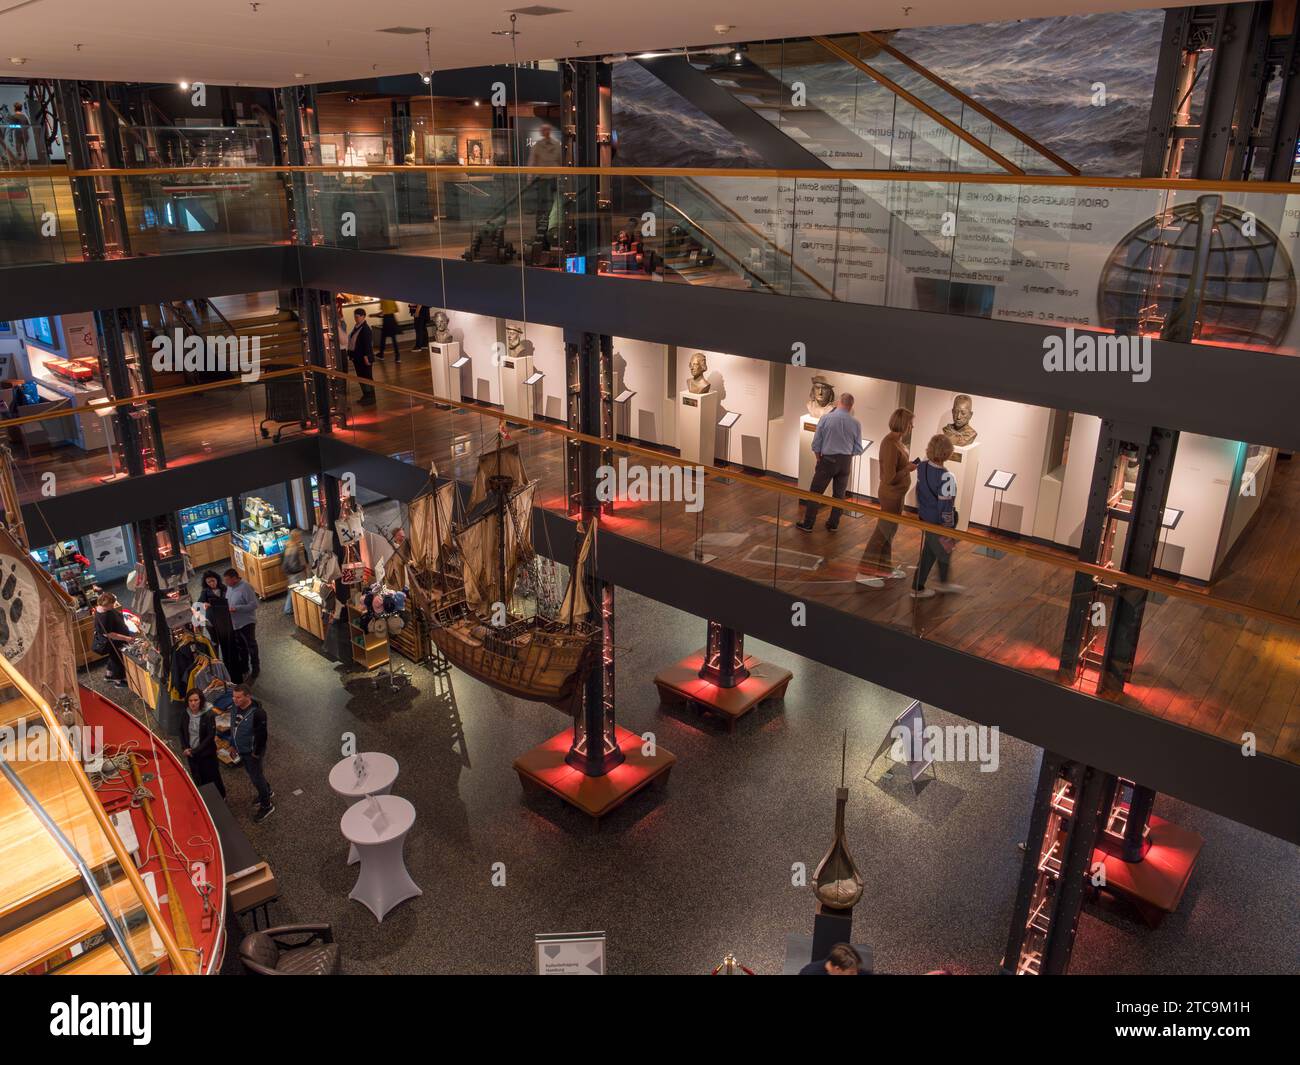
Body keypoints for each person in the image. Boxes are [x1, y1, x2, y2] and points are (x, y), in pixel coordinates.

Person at [858, 407, 915, 587]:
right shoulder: (890, 443)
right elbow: (889, 477)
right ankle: (864, 571)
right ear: (904, 424)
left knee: (889, 532)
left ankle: (884, 568)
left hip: (897, 495)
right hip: (890, 495)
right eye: (911, 424)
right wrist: (908, 469)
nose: (912, 427)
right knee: (881, 533)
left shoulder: (896, 441)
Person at [795, 393, 865, 532]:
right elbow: (858, 449)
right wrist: (845, 455)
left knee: (815, 492)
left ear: (838, 402)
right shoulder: (856, 423)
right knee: (839, 495)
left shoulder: (826, 418)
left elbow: (816, 444)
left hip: (827, 460)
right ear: (851, 406)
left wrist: (818, 458)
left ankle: (808, 524)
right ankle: (833, 524)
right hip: (845, 462)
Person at [911, 434, 965, 599]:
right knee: (942, 551)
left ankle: (940, 583)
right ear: (947, 453)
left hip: (924, 516)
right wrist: (948, 529)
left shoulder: (922, 466)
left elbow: (919, 491)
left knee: (931, 550)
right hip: (938, 521)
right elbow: (945, 506)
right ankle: (918, 587)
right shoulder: (947, 477)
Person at [229, 684, 274, 821]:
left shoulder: (258, 713)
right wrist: (233, 745)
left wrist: (255, 754)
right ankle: (268, 791)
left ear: (247, 696)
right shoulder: (235, 707)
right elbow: (233, 727)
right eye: (234, 696)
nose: (235, 699)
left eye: (238, 697)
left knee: (256, 777)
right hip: (242, 749)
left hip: (252, 752)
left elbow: (262, 737)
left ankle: (267, 806)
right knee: (254, 774)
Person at [178, 689, 225, 797]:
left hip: (206, 755)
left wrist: (194, 751)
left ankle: (221, 797)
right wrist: (185, 747)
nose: (193, 703)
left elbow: (210, 736)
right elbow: (181, 730)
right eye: (190, 700)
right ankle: (205, 798)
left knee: (212, 777)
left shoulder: (208, 715)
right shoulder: (185, 713)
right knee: (197, 776)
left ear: (201, 700)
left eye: (196, 700)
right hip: (191, 754)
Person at [198, 569, 242, 681]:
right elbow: (199, 603)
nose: (211, 583)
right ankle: (216, 663)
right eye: (209, 582)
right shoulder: (205, 592)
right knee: (215, 641)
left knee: (228, 641)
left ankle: (230, 664)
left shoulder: (224, 588)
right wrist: (204, 604)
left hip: (224, 618)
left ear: (217, 579)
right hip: (212, 619)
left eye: (213, 581)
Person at [223, 568, 260, 680]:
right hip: (235, 623)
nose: (226, 583)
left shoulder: (246, 587)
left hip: (246, 622)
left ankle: (256, 668)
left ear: (235, 578)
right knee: (241, 647)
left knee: (251, 646)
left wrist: (237, 608)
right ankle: (244, 668)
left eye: (227, 580)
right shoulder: (230, 587)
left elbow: (254, 605)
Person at [92, 593, 133, 688]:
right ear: (106, 604)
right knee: (118, 659)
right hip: (114, 641)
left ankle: (109, 675)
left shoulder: (102, 609)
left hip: (116, 640)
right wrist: (126, 638)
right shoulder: (104, 617)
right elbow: (110, 634)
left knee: (113, 656)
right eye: (112, 604)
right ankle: (119, 681)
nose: (113, 606)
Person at [527, 125, 561, 235]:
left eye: (547, 130)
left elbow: (561, 162)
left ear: (550, 131)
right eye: (543, 130)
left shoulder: (556, 145)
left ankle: (555, 228)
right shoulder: (537, 146)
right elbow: (532, 162)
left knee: (556, 204)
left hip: (554, 178)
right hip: (542, 179)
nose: (545, 132)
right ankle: (540, 230)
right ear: (541, 132)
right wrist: (529, 178)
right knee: (542, 205)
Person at [347, 307, 375, 405]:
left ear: (363, 316)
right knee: (361, 377)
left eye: (358, 317)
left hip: (364, 358)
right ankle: (366, 395)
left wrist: (366, 357)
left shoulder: (366, 329)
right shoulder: (357, 327)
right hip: (358, 358)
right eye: (355, 317)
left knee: (367, 378)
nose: (356, 319)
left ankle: (370, 397)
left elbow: (367, 344)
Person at [798, 943, 868, 975]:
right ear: (837, 969)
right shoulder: (810, 973)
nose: (856, 974)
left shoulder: (849, 966)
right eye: (851, 973)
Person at [281, 529, 307, 614]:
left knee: (292, 590)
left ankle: (291, 607)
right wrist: (301, 568)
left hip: (290, 573)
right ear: (296, 537)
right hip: (295, 573)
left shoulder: (288, 545)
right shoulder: (294, 548)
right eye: (299, 536)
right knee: (294, 590)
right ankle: (289, 609)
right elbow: (293, 564)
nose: (301, 538)